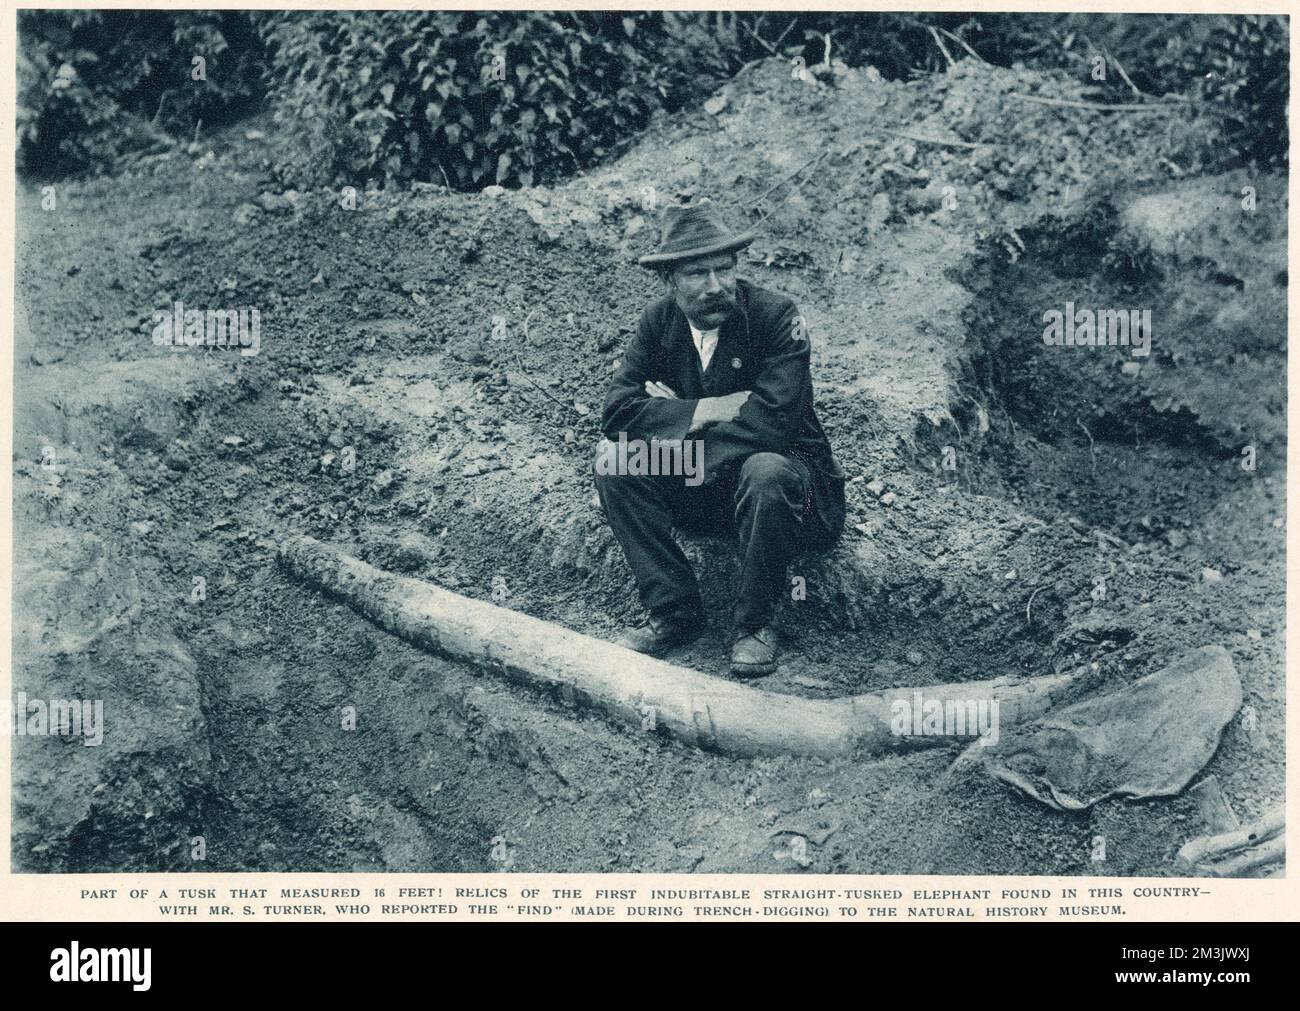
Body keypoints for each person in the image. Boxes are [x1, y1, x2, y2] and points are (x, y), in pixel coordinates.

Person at [595, 199, 845, 677]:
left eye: (724, 269)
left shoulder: (777, 318)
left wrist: (668, 419)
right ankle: (675, 613)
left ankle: (755, 624)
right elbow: (618, 413)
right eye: (697, 274)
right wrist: (707, 409)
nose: (715, 286)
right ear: (669, 280)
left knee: (765, 467)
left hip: (793, 497)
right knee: (615, 461)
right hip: (711, 492)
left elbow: (769, 426)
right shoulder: (657, 323)